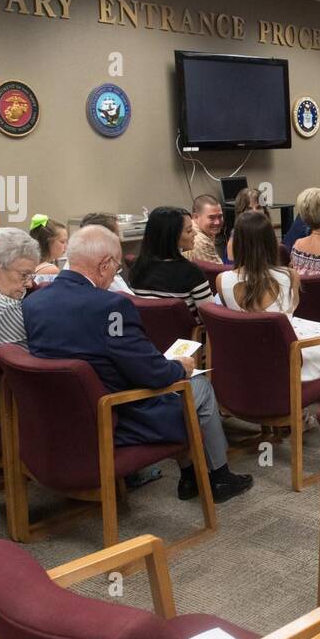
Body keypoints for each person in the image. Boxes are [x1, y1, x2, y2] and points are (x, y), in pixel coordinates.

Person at [23, 225, 252, 503]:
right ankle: (219, 478)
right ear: (105, 264)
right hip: (118, 416)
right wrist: (181, 367)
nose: (115, 274)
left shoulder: (35, 302)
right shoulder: (110, 307)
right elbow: (153, 374)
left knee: (181, 388)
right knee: (199, 386)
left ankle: (192, 475)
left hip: (61, 417)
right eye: (116, 267)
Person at [218, 211, 320, 383]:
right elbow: (291, 309)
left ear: (237, 243)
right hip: (287, 359)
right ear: (271, 242)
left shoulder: (221, 280)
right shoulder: (289, 276)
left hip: (245, 359)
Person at [129, 206, 215, 323]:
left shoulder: (136, 267)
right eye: (189, 230)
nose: (195, 233)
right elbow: (210, 318)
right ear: (171, 237)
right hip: (190, 339)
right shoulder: (192, 273)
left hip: (149, 337)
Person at [186, 194, 224, 266]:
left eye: (220, 216)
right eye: (212, 218)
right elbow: (218, 273)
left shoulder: (203, 229)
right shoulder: (200, 240)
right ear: (196, 217)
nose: (217, 222)